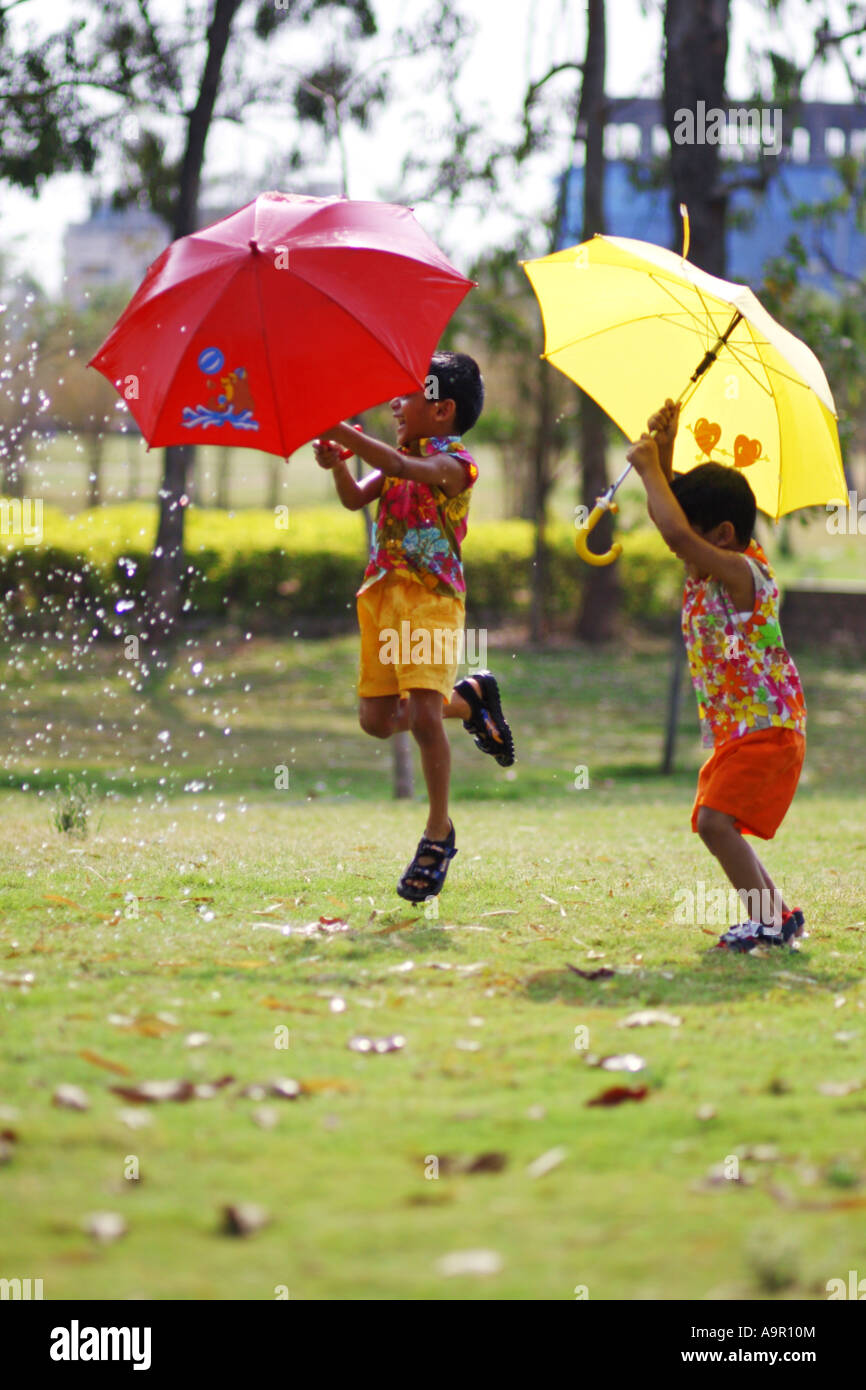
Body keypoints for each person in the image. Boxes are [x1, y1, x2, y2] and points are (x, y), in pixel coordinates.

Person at [313, 351, 514, 903]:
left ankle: (437, 831)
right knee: (377, 720)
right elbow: (358, 496)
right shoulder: (400, 453)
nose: (396, 404)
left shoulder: (455, 465)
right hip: (381, 594)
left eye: (408, 396)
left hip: (430, 597)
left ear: (444, 410)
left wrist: (341, 430)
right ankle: (471, 700)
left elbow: (404, 472)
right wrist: (337, 463)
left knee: (424, 714)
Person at [626, 399, 806, 952]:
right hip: (742, 730)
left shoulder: (740, 572)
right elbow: (675, 527)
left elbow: (680, 535)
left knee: (712, 822)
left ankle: (767, 920)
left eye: (695, 532)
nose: (677, 543)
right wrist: (668, 450)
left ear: (723, 534)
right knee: (713, 820)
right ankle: (776, 914)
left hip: (769, 729)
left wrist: (651, 469)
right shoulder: (705, 566)